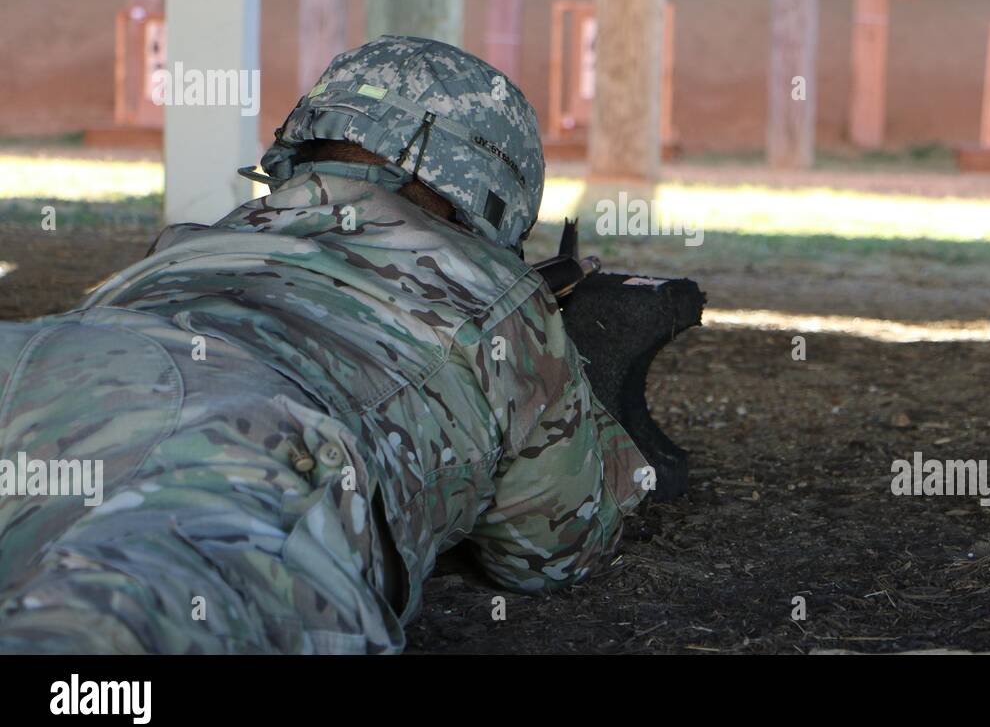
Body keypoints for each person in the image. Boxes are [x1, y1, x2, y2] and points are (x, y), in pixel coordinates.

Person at [0, 36, 650, 653]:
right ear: (490, 190)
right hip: (249, 434)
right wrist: (571, 381)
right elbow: (551, 550)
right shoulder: (502, 300)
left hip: (38, 361)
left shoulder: (192, 241)